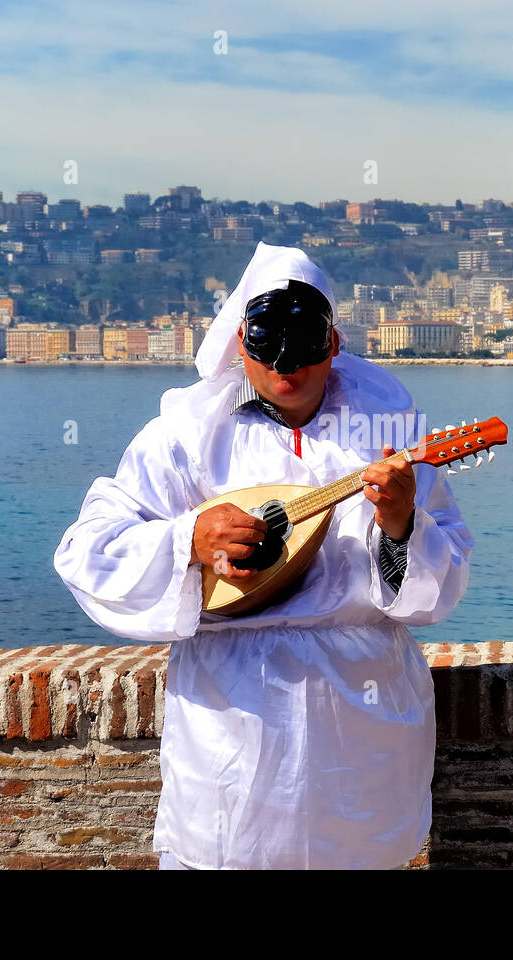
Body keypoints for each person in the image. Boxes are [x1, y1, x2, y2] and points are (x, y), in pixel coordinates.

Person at [52, 241, 474, 869]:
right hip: (233, 721)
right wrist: (187, 540)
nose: (287, 368)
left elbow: (442, 587)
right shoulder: (187, 438)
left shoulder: (389, 433)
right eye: (266, 346)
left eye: (305, 348)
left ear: (332, 345)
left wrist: (400, 523)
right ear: (240, 346)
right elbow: (88, 551)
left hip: (359, 726)